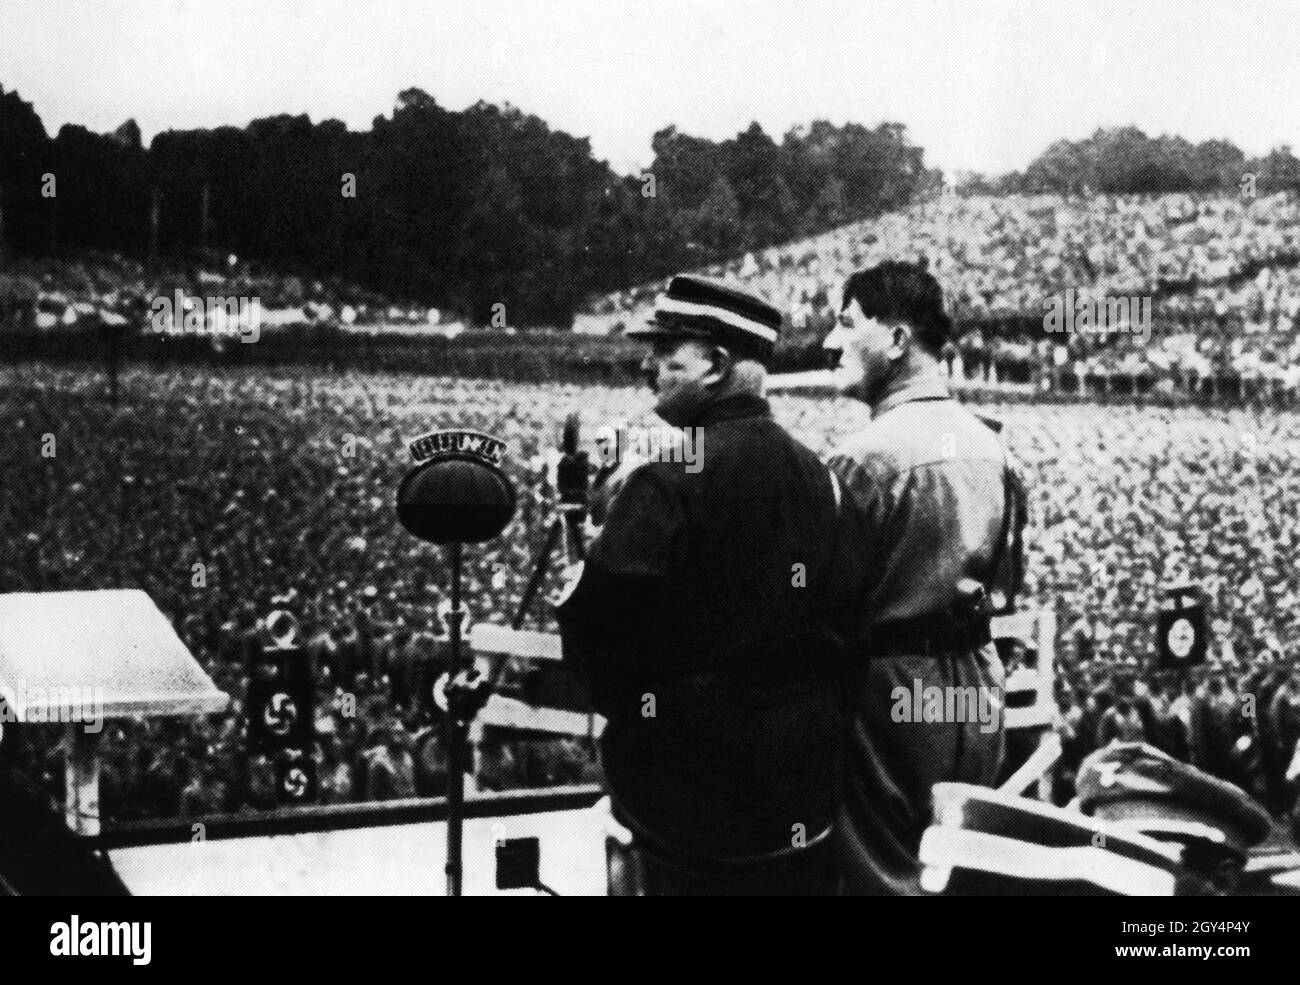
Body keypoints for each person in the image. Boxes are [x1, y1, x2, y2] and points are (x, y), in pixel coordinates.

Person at [556, 274, 846, 895]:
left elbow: (598, 627)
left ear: (714, 364)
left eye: (666, 354)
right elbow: (848, 634)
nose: (648, 369)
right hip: (798, 788)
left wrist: (643, 722)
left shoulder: (666, 477)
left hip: (683, 795)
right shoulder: (819, 476)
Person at [821, 260, 1027, 895]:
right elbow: (1009, 589)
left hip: (886, 695)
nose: (831, 341)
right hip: (974, 692)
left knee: (883, 877)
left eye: (847, 322)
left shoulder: (863, 458)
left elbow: (822, 608)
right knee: (953, 866)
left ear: (897, 340)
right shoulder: (994, 451)